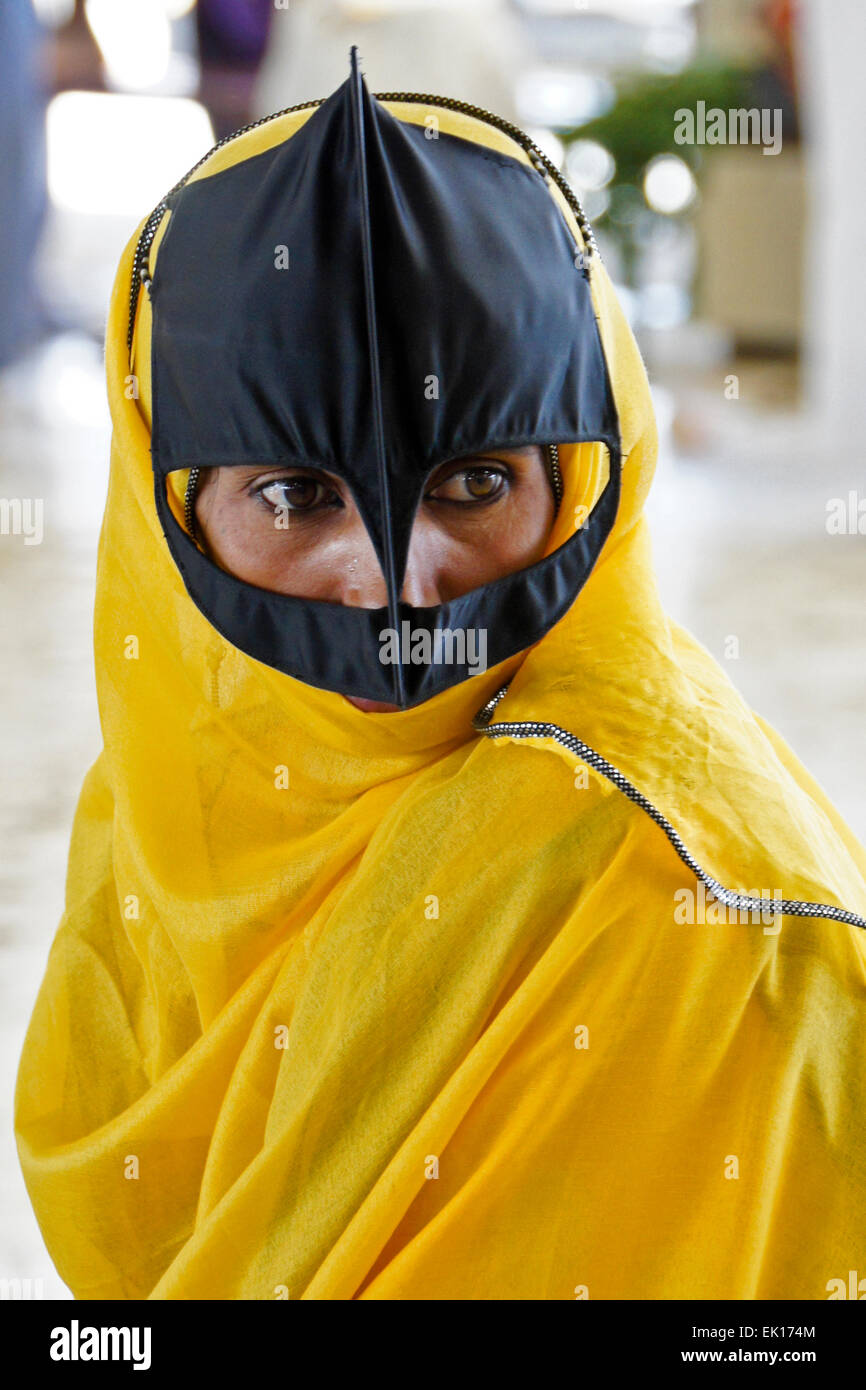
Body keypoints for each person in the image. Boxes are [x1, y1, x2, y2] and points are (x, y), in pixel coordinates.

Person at [14, 50, 866, 1301]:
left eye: (472, 483)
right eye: (296, 496)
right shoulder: (178, 782)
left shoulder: (688, 916)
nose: (399, 586)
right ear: (166, 506)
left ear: (585, 472)